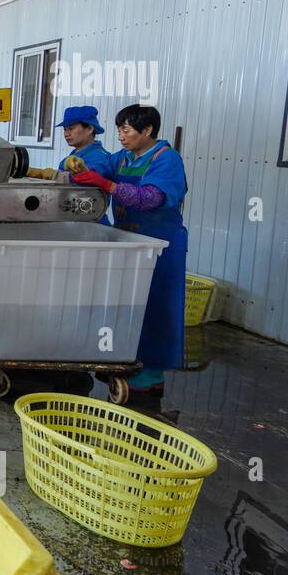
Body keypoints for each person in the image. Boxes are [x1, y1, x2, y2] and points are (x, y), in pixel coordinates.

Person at [71, 104, 188, 396]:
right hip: (129, 242)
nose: (121, 136)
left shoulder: (166, 159)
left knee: (155, 307)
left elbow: (150, 198)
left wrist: (107, 186)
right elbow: (102, 166)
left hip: (161, 246)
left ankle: (150, 373)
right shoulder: (124, 157)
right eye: (119, 130)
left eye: (127, 130)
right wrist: (84, 169)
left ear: (147, 130)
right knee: (127, 305)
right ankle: (123, 358)